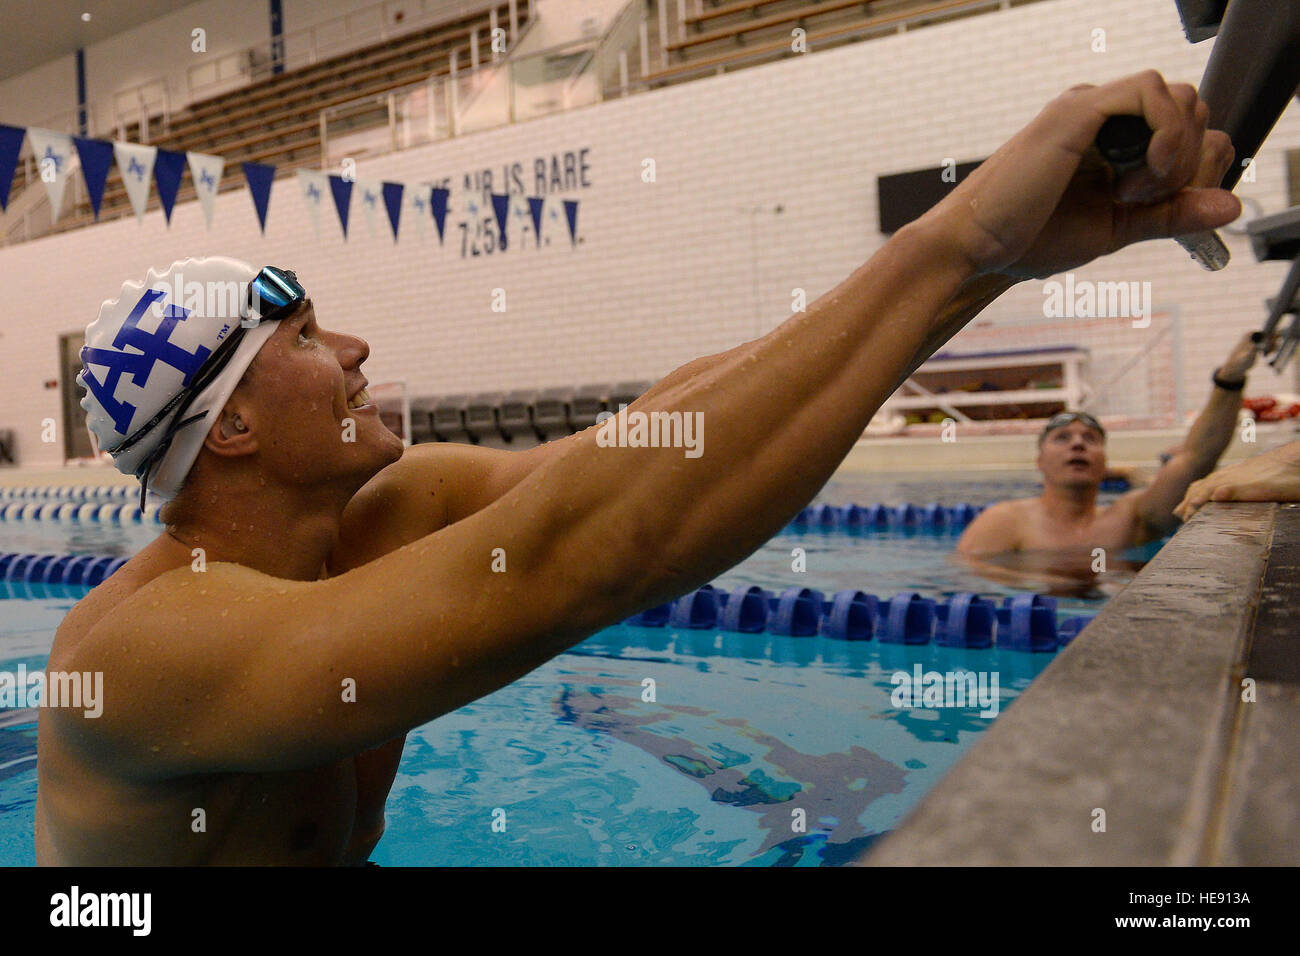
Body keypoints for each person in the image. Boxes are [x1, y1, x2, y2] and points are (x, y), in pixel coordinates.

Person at [35, 71, 1241, 865]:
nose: (354, 348)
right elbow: (581, 556)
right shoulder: (138, 654)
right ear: (229, 427)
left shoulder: (387, 516)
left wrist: (989, 265)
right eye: (303, 339)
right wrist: (953, 238)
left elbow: (653, 438)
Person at [955, 332, 1261, 590]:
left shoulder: (1131, 518)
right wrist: (1046, 582)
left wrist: (1229, 380)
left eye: (1090, 439)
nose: (1077, 443)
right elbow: (968, 575)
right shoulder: (1004, 521)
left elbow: (1196, 460)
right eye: (1062, 438)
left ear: (1105, 463)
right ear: (1039, 462)